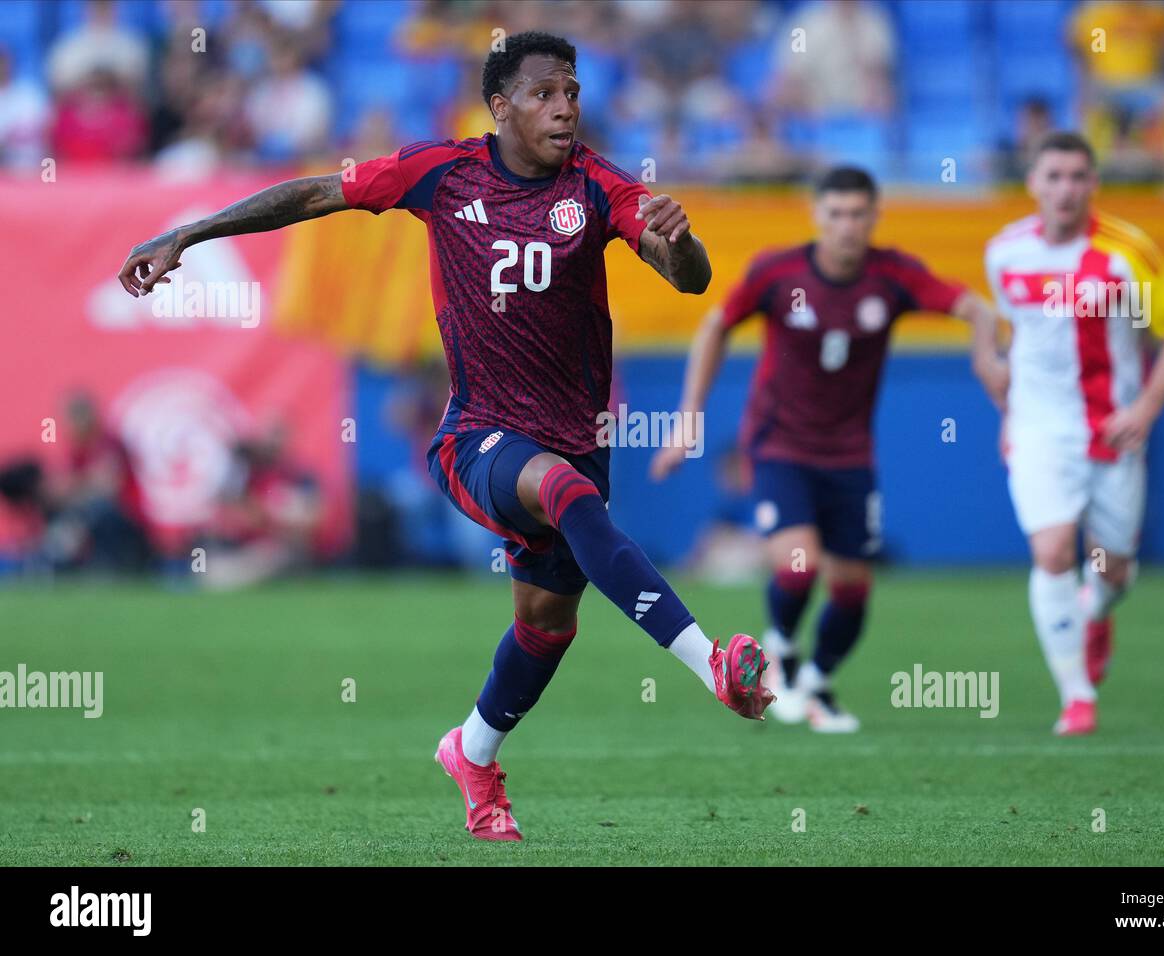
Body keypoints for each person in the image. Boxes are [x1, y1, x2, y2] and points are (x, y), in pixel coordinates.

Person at [117, 31, 773, 842]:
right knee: (562, 494)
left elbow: (689, 276)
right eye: (543, 94)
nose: (565, 106)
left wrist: (682, 241)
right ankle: (710, 662)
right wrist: (189, 233)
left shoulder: (599, 185)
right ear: (501, 107)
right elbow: (317, 193)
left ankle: (471, 752)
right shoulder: (442, 173)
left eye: (571, 90)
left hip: (575, 440)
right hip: (477, 439)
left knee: (545, 628)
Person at [652, 166, 1000, 732]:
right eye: (835, 214)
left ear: (874, 217)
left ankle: (815, 683)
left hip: (850, 455)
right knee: (798, 565)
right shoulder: (778, 271)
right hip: (778, 445)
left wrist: (987, 357)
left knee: (852, 588)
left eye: (858, 214)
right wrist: (687, 419)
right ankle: (782, 655)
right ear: (817, 216)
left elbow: (977, 308)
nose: (846, 226)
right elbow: (716, 324)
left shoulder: (892, 276)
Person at [979, 132, 1164, 735]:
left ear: (1094, 183)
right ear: (1033, 184)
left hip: (1112, 433)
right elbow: (1018, 340)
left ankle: (1097, 608)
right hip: (1039, 431)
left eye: (1077, 176)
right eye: (1053, 176)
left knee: (1115, 568)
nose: (1065, 189)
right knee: (1052, 552)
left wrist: (1147, 408)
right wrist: (1007, 415)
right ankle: (1077, 698)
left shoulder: (1129, 254)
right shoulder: (1005, 254)